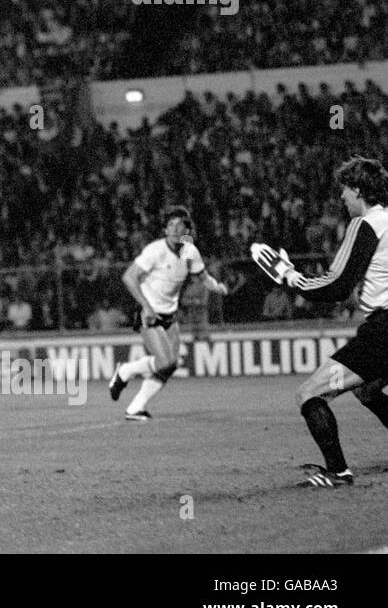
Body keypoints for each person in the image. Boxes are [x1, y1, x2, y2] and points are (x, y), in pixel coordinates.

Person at [253, 156, 388, 487]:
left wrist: (290, 276)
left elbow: (336, 286)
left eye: (344, 189)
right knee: (368, 389)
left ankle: (338, 472)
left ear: (358, 189)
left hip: (384, 330)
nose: (341, 197)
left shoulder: (365, 224)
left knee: (310, 394)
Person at [108, 207, 228, 421]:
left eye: (179, 226)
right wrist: (146, 306)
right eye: (170, 225)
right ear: (164, 229)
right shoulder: (155, 250)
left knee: (170, 365)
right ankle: (125, 371)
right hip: (147, 312)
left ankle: (135, 408)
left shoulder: (190, 251)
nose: (174, 229)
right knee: (164, 361)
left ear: (187, 231)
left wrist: (216, 286)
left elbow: (202, 276)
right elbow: (129, 277)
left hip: (169, 314)